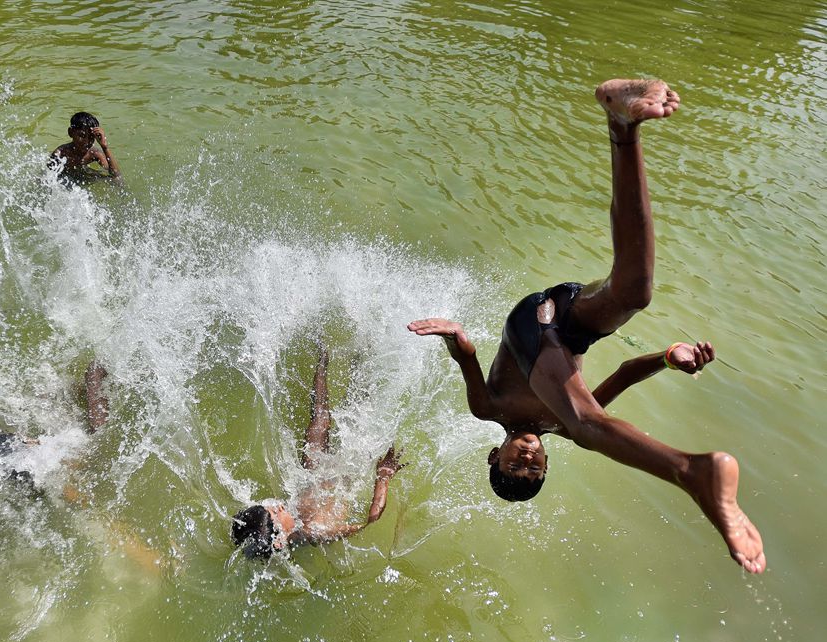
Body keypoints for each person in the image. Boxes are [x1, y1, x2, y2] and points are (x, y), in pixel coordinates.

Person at [408, 79, 766, 574]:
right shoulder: (561, 423)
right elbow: (621, 373)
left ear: (495, 454)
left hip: (529, 325)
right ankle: (623, 125)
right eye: (533, 468)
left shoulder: (488, 408)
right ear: (546, 465)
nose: (527, 458)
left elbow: (467, 356)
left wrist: (453, 333)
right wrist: (668, 357)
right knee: (633, 290)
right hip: (567, 325)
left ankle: (692, 471)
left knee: (587, 425)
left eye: (515, 463)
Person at [231, 346, 404, 560]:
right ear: (279, 540)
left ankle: (322, 357)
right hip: (345, 470)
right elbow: (369, 523)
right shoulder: (315, 532)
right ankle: (364, 356)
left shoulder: (282, 530)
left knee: (320, 417)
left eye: (270, 508)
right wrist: (384, 477)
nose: (276, 506)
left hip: (311, 473)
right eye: (275, 513)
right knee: (358, 410)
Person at [49, 112, 122, 183]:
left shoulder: (94, 153)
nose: (87, 142)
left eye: (91, 137)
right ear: (70, 132)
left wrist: (105, 147)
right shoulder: (61, 152)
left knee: (115, 180)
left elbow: (116, 174)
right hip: (65, 177)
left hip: (85, 177)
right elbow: (48, 174)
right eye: (82, 136)